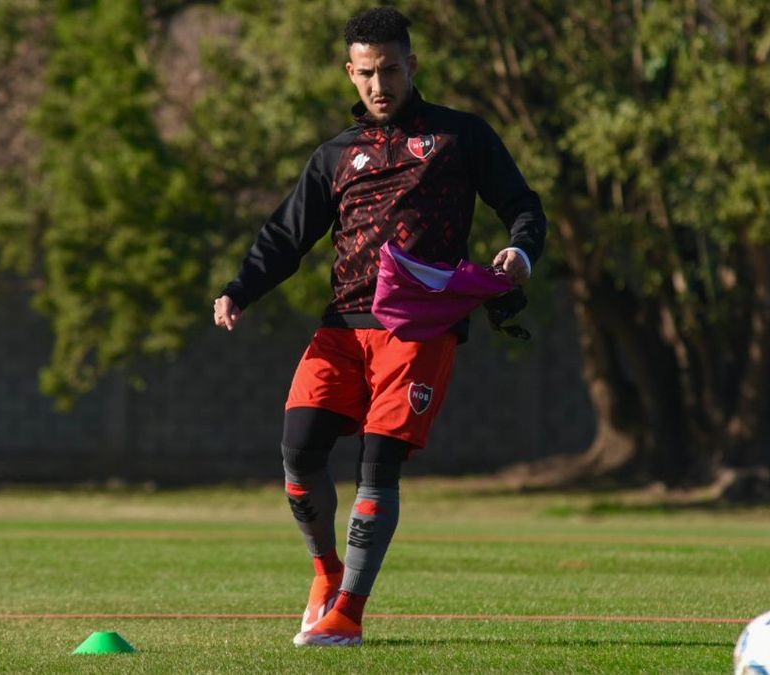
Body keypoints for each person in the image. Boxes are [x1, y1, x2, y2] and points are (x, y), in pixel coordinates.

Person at [213, 6, 546, 647]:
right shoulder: (336, 154)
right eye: (366, 73)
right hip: (342, 324)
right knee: (299, 451)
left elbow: (522, 204)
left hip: (419, 328)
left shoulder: (460, 136)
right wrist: (239, 289)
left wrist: (521, 250)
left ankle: (349, 614)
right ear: (349, 72)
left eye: (390, 69)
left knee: (377, 462)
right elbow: (288, 236)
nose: (378, 84)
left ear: (411, 65)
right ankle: (326, 573)